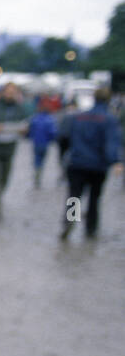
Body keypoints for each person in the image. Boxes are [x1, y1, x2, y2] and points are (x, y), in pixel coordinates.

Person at [57, 85, 122, 241]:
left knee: (74, 196)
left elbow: (64, 137)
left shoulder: (77, 117)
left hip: (77, 162)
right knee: (94, 197)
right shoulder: (109, 119)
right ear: (109, 100)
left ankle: (70, 220)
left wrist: (65, 156)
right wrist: (116, 162)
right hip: (97, 166)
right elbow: (111, 143)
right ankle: (90, 229)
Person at [0, 81, 30, 218]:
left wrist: (23, 130)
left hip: (10, 148)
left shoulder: (20, 108)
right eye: (8, 92)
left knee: (4, 177)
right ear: (3, 92)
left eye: (13, 92)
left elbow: (26, 123)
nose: (10, 95)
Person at [28, 99, 58, 189]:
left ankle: (37, 171)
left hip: (36, 143)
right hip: (45, 143)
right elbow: (53, 132)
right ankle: (39, 172)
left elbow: (30, 131)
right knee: (42, 159)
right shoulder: (50, 120)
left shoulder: (34, 118)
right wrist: (51, 139)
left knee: (37, 159)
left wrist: (32, 137)